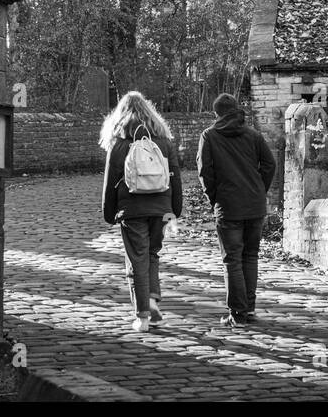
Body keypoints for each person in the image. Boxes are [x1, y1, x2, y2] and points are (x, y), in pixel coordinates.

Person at [100, 91, 183, 332]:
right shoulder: (164, 142)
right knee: (152, 254)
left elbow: (110, 182)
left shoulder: (119, 143)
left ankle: (143, 315)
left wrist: (108, 213)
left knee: (136, 260)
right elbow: (175, 177)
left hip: (132, 209)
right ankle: (153, 301)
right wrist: (174, 210)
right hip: (160, 209)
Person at [197, 93, 275, 327]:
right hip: (254, 205)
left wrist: (214, 198)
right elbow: (270, 164)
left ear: (216, 113)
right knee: (250, 257)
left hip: (228, 206)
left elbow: (205, 173)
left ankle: (238, 314)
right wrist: (259, 190)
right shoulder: (253, 135)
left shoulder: (209, 136)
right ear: (237, 110)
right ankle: (248, 309)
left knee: (232, 260)